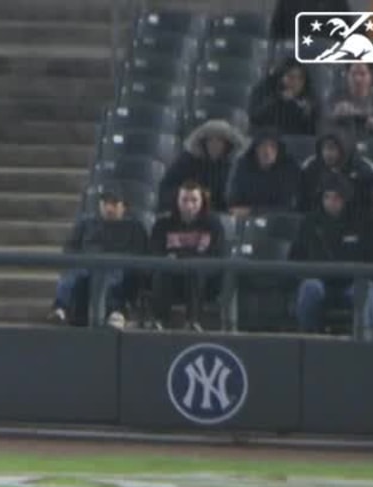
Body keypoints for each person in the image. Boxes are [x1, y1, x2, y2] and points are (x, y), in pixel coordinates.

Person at [290, 175, 373, 337]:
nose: (331, 202)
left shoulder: (363, 222)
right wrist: (309, 273)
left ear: (346, 199)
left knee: (367, 289)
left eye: (337, 197)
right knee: (309, 288)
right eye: (327, 197)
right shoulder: (309, 223)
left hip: (352, 283)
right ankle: (308, 339)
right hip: (320, 282)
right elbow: (295, 258)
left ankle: (367, 340)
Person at [48, 186, 149, 328]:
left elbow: (140, 254)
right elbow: (70, 248)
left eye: (114, 204)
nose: (109, 208)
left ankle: (116, 312)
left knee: (112, 278)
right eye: (105, 203)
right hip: (88, 265)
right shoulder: (86, 224)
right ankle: (60, 309)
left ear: (123, 206)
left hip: (118, 267)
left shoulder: (134, 227)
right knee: (71, 275)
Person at [146, 180, 227, 330]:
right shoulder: (163, 224)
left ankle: (193, 321)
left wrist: (188, 259)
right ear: (177, 201)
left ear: (202, 201)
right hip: (171, 277)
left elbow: (218, 254)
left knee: (195, 269)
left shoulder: (214, 224)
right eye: (184, 200)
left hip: (203, 280)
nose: (189, 205)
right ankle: (158, 321)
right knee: (162, 270)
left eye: (194, 200)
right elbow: (154, 251)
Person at [156, 119, 246, 215]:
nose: (214, 145)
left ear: (227, 144)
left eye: (219, 140)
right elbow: (166, 190)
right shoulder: (186, 161)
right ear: (203, 143)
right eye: (210, 140)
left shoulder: (235, 168)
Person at [227, 129, 303, 217]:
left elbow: (289, 207)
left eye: (272, 147)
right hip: (246, 222)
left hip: (281, 222)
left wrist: (252, 211)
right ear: (255, 149)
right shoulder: (243, 165)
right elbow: (234, 202)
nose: (267, 151)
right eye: (262, 146)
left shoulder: (290, 168)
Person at [322, 63, 373, 141]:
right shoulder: (335, 98)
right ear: (347, 76)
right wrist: (335, 115)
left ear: (371, 76)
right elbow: (324, 127)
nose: (358, 79)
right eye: (353, 74)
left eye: (363, 74)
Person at [248, 57, 320, 137]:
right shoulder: (264, 92)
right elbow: (255, 117)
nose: (296, 83)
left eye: (300, 78)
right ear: (281, 77)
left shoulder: (310, 100)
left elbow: (313, 131)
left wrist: (305, 112)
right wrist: (279, 100)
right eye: (291, 77)